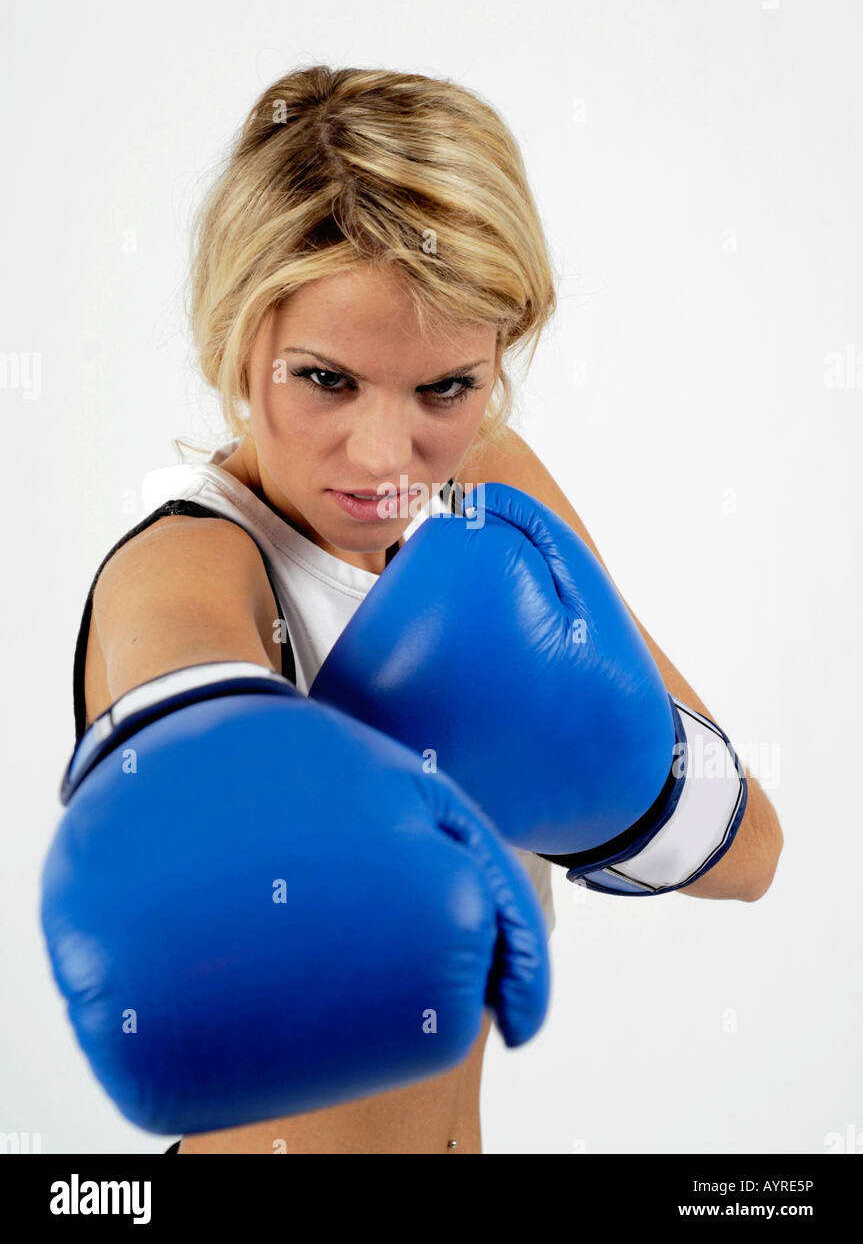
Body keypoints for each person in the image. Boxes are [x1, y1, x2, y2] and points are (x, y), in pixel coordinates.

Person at [57, 65, 783, 1154]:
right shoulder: (189, 567)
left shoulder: (489, 491)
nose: (386, 457)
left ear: (501, 351)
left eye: (444, 386)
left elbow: (750, 852)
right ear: (235, 340)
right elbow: (187, 729)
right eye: (325, 379)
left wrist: (617, 785)